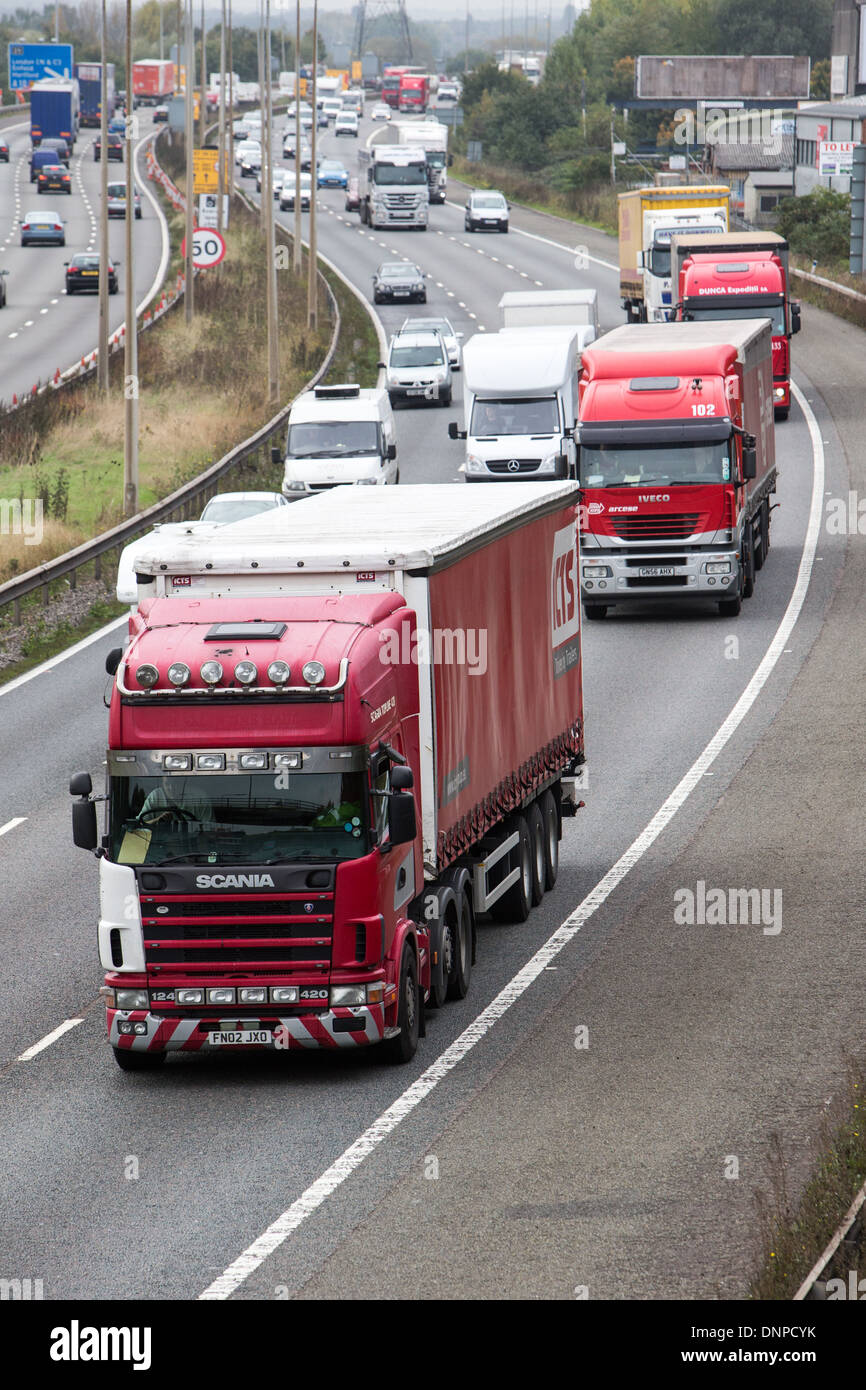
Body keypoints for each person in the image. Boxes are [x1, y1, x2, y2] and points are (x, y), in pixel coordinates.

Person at [139, 777, 213, 826]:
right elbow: (139, 824)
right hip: (161, 843)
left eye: (175, 783)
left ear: (183, 782)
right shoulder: (155, 796)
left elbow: (209, 827)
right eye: (167, 784)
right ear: (162, 784)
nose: (171, 788)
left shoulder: (199, 797)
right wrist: (158, 820)